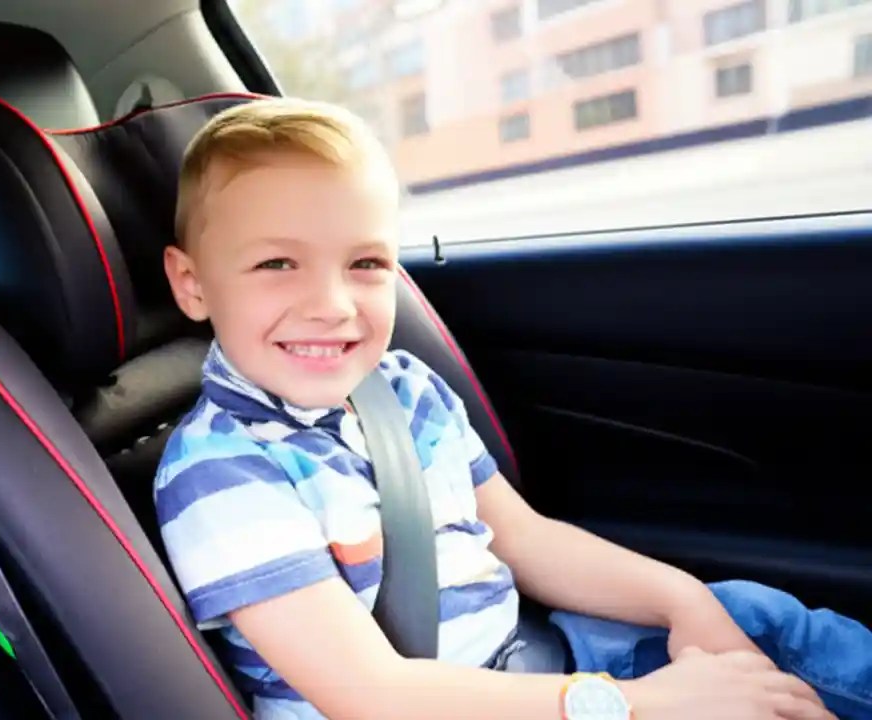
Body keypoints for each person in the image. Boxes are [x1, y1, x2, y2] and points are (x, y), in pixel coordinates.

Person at [153, 96, 872, 720]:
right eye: (277, 264)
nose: (332, 305)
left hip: (534, 665)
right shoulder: (221, 475)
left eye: (366, 263)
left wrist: (683, 602)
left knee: (754, 616)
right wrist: (646, 703)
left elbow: (523, 540)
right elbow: (371, 695)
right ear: (191, 284)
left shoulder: (402, 387)